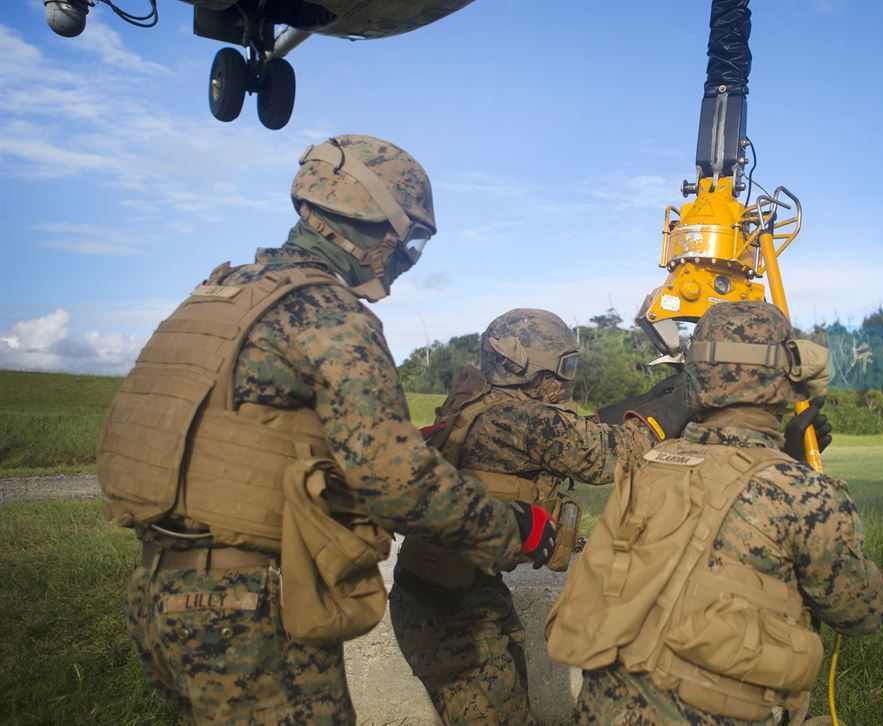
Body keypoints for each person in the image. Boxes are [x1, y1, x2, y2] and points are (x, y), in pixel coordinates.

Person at [96, 135, 558, 724]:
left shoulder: (219, 296)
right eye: (409, 241)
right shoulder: (328, 313)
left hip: (158, 592)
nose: (402, 259)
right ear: (378, 224)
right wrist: (514, 528)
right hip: (250, 608)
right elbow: (398, 484)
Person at [547, 300, 883, 726]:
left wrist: (783, 460)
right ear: (782, 378)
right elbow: (861, 613)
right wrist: (795, 468)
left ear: (696, 374)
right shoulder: (803, 493)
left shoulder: (649, 464)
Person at [389, 307, 698, 725]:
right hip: (450, 616)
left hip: (458, 594)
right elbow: (613, 454)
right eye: (563, 367)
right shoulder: (519, 419)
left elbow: (582, 428)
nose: (568, 379)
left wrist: (659, 394)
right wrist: (687, 397)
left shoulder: (489, 405)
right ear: (528, 370)